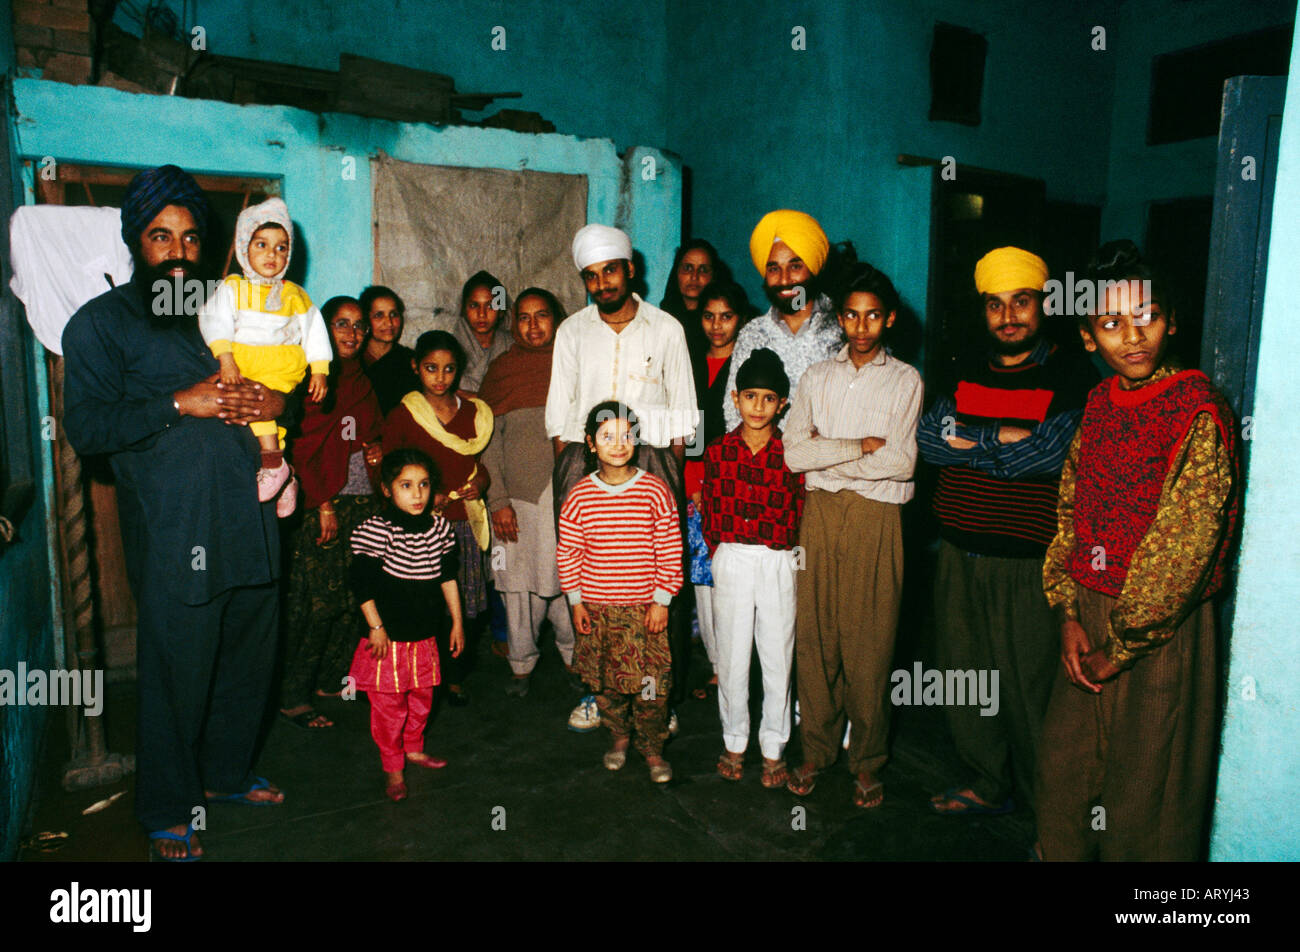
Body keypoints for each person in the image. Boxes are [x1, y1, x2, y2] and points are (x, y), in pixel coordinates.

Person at [62, 165, 289, 862]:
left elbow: (289, 382)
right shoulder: (100, 324)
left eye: (191, 236)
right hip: (175, 527)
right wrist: (176, 403)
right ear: (137, 241)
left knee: (250, 654)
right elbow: (90, 429)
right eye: (162, 236)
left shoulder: (233, 304)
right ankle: (167, 805)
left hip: (252, 516)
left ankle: (223, 774)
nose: (179, 250)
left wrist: (275, 405)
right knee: (178, 667)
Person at [1035, 241, 1239, 861]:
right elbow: (1071, 510)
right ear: (1089, 336)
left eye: (1146, 316)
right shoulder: (1098, 405)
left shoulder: (1197, 410)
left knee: (1145, 794)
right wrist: (1067, 612)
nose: (1133, 336)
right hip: (1088, 614)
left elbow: (1183, 546)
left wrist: (1119, 648)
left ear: (1171, 319)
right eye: (1111, 323)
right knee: (1066, 774)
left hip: (1160, 632)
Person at [916, 247, 1098, 818]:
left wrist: (973, 443)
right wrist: (1006, 439)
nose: (1008, 316)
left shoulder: (1071, 372)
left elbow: (1052, 453)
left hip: (1030, 564)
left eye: (1021, 301)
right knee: (966, 679)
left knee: (1030, 690)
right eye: (995, 305)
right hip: (959, 552)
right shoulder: (964, 364)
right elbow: (927, 439)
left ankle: (1054, 815)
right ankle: (987, 780)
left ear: (1043, 303)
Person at [546, 223, 698, 733]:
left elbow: (681, 416)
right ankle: (596, 691)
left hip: (652, 459)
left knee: (657, 581)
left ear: (630, 270)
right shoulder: (571, 331)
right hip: (582, 460)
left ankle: (659, 697)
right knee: (590, 580)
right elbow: (560, 414)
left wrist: (671, 476)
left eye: (610, 271)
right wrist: (571, 473)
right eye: (591, 276)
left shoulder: (667, 328)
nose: (602, 283)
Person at [782, 260, 923, 809]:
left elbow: (903, 461)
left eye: (872, 317)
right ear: (839, 319)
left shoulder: (905, 378)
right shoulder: (816, 377)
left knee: (870, 642)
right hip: (817, 515)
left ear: (888, 320)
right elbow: (796, 454)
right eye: (851, 316)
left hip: (875, 520)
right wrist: (858, 446)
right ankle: (816, 748)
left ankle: (867, 759)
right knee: (815, 636)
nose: (861, 327)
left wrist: (831, 456)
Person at [557, 402, 684, 782]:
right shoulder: (579, 496)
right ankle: (618, 737)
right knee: (606, 683)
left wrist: (663, 600)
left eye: (626, 435)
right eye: (607, 436)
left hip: (646, 610)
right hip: (598, 611)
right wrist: (575, 600)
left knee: (651, 686)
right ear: (591, 444)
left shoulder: (654, 490)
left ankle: (653, 748)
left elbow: (669, 546)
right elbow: (569, 551)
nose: (618, 444)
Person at [279, 296, 385, 730]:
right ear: (323, 329)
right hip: (323, 504)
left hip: (363, 503)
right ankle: (291, 696)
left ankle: (329, 680)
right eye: (341, 324)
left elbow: (371, 432)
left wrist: (377, 449)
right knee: (316, 605)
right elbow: (298, 443)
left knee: (351, 600)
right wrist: (321, 503)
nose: (352, 334)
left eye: (359, 326)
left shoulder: (361, 380)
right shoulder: (310, 378)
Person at [701, 348, 803, 788]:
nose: (757, 407)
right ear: (734, 398)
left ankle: (774, 746)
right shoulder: (718, 451)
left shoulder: (792, 453)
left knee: (778, 656)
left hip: (778, 560)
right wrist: (720, 553)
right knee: (732, 654)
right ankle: (734, 739)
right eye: (749, 396)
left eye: (768, 398)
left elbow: (802, 509)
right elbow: (708, 510)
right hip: (732, 556)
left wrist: (791, 556)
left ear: (782, 403)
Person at [197, 197, 330, 514]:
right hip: (243, 363)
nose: (272, 254)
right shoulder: (232, 287)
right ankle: (283, 473)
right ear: (244, 248)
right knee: (256, 414)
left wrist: (320, 369)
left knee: (264, 411)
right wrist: (225, 357)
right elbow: (213, 320)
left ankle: (275, 467)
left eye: (281, 247)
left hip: (281, 365)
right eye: (261, 245)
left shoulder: (295, 294)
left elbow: (314, 330)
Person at [382, 330, 493, 706]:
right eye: (431, 368)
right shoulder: (403, 414)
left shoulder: (475, 413)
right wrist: (425, 499)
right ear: (416, 368)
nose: (440, 377)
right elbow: (389, 471)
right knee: (426, 603)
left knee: (466, 602)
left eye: (448, 369)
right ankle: (422, 676)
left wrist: (481, 482)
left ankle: (455, 675)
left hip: (463, 520)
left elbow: (483, 465)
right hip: (420, 528)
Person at [348, 448, 465, 802]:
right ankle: (393, 766)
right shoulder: (375, 531)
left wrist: (457, 622)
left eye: (424, 485)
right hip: (388, 638)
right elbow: (362, 585)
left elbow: (447, 578)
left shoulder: (440, 529)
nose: (417, 494)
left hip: (424, 635)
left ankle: (414, 747)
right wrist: (376, 626)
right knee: (388, 708)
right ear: (387, 489)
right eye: (406, 485)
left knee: (423, 698)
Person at [480, 288, 579, 697]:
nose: (533, 325)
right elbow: (487, 442)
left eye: (542, 316)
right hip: (516, 500)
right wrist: (498, 502)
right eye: (523, 317)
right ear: (513, 322)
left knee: (566, 579)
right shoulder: (502, 370)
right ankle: (521, 664)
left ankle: (576, 658)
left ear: (557, 319)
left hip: (565, 497)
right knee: (518, 585)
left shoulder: (574, 364)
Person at [684, 279, 754, 698]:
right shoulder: (692, 365)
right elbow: (691, 433)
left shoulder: (747, 367)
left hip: (738, 490)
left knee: (735, 580)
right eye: (709, 316)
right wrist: (695, 487)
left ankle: (738, 666)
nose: (717, 325)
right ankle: (716, 664)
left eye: (726, 316)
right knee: (705, 582)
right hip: (698, 491)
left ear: (739, 319)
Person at [722, 210, 843, 432]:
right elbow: (733, 411)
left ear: (813, 268)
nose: (785, 280)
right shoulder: (753, 333)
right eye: (774, 268)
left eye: (795, 266)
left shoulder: (844, 327)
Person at [659, 238, 729, 352]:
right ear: (676, 273)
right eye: (687, 268)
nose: (694, 277)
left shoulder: (721, 326)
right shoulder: (660, 322)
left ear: (714, 276)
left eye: (703, 270)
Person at [360, 285, 420, 416]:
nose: (389, 322)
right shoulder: (356, 361)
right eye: (379, 315)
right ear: (365, 320)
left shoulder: (409, 361)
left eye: (394, 314)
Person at [451, 269, 513, 394]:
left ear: (501, 311)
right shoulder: (449, 347)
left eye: (490, 306)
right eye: (474, 305)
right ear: (463, 309)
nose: (482, 314)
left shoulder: (512, 346)